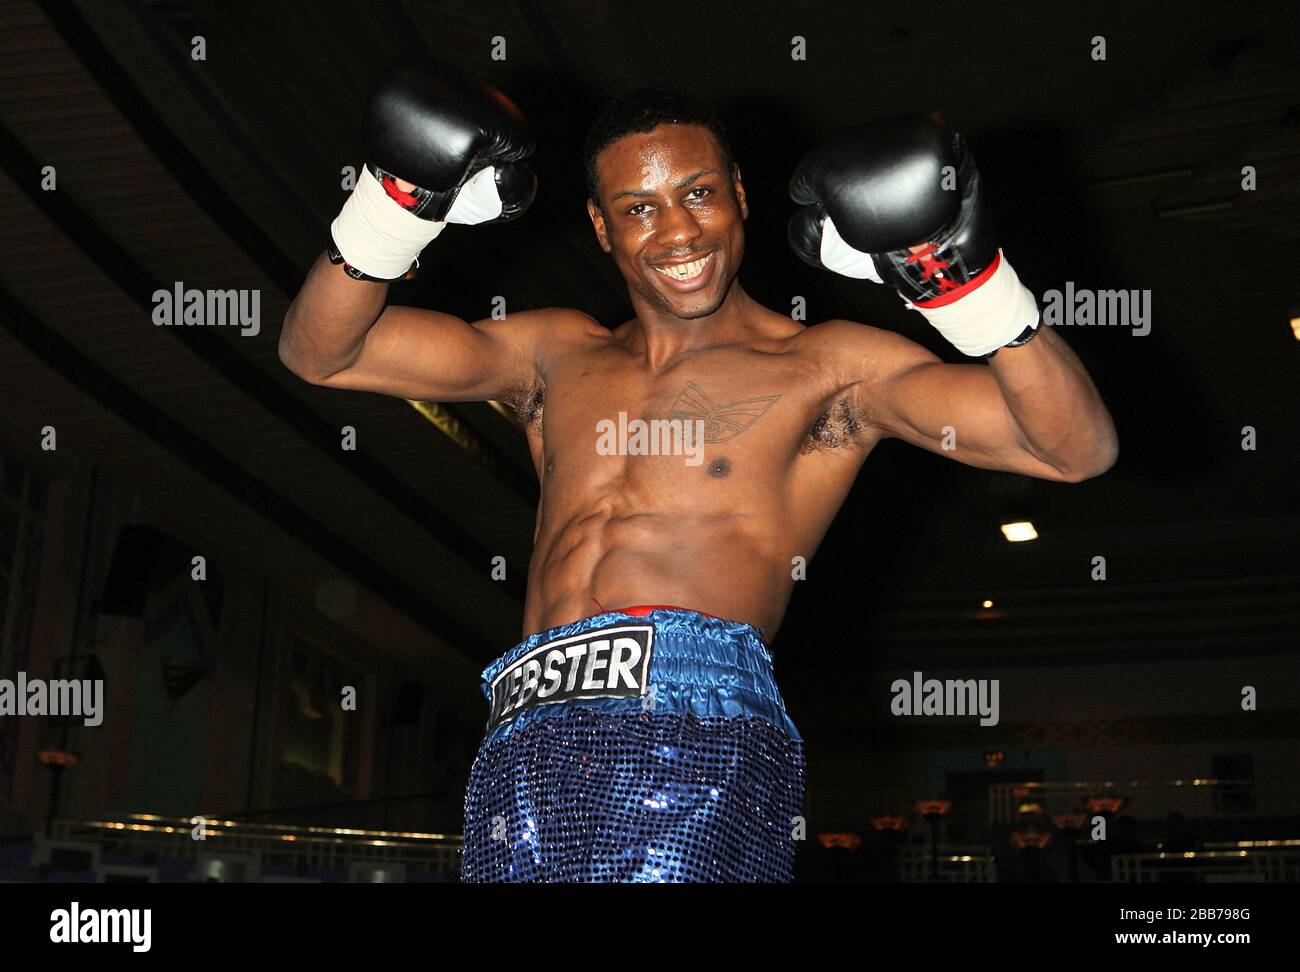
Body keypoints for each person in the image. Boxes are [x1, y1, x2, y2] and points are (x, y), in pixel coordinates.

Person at [279, 58, 1118, 882]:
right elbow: (322, 353)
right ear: (603, 228)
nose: (677, 231)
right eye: (638, 208)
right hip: (520, 735)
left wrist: (963, 286)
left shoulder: (828, 367)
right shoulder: (552, 354)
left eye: (699, 193)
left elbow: (1072, 449)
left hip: (695, 728)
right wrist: (388, 212)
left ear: (740, 196)